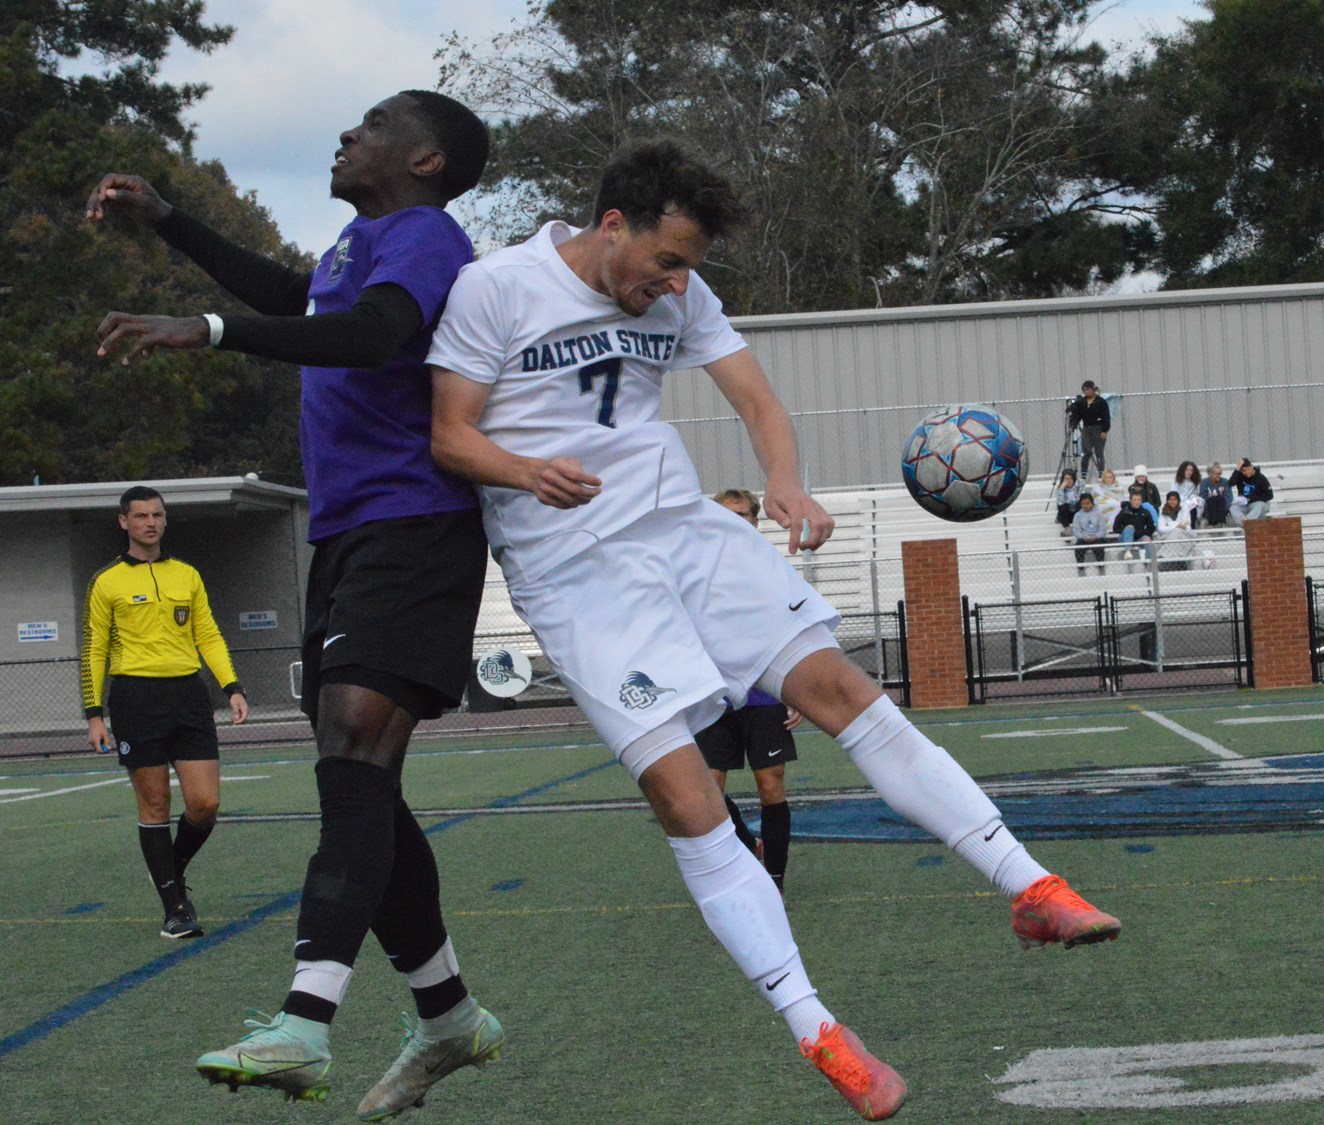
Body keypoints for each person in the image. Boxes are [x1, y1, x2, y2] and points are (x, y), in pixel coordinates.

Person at [425, 140, 1120, 1121]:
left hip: (681, 527)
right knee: (687, 794)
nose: (678, 284)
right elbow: (448, 433)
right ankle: (819, 1032)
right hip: (574, 569)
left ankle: (1031, 883)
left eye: (690, 267)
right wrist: (523, 470)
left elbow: (753, 397)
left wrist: (784, 481)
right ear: (612, 226)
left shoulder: (679, 293)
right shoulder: (496, 288)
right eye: (667, 261)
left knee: (839, 687)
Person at [88, 91, 504, 1113]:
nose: (345, 135)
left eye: (371, 124)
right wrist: (171, 222)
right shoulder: (359, 241)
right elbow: (299, 292)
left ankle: (305, 1025)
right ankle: (447, 1013)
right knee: (358, 780)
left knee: (355, 761)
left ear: (425, 159)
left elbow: (370, 336)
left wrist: (214, 331)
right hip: (346, 536)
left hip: (415, 528)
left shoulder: (426, 236)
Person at [82, 486, 248, 941]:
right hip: (136, 700)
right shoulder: (107, 581)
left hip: (189, 698)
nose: (150, 523)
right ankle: (175, 908)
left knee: (205, 804)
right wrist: (94, 714)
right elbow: (95, 649)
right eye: (140, 516)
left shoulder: (187, 575)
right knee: (155, 804)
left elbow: (208, 634)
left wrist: (231, 687)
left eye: (157, 515)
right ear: (124, 522)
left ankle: (168, 870)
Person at [700, 490, 805, 893]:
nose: (735, 522)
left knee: (770, 784)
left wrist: (795, 692)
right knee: (707, 790)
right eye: (726, 515)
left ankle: (774, 882)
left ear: (755, 522)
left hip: (764, 692)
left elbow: (792, 630)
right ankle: (747, 843)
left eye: (743, 515)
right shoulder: (694, 568)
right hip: (712, 697)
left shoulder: (772, 569)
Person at [1065, 379, 1111, 479]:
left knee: (1099, 452)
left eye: (1088, 389)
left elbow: (1106, 417)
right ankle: (1083, 475)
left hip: (1098, 428)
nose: (1086, 392)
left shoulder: (1101, 402)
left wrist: (1105, 430)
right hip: (1087, 428)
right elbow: (1077, 412)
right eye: (1084, 390)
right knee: (1086, 453)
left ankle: (1101, 473)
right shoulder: (1082, 402)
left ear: (1093, 389)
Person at [1111, 487, 1159, 569]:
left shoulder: (1145, 512)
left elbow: (1151, 528)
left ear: (1141, 501)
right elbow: (1115, 527)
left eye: (1138, 500)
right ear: (1131, 501)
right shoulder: (1124, 512)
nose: (1136, 502)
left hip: (1139, 537)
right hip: (1124, 538)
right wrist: (1126, 529)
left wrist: (1145, 534)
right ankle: (1128, 551)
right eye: (1134, 500)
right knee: (1130, 528)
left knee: (1147, 540)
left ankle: (1149, 565)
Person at [1071, 493, 1110, 575]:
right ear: (1080, 504)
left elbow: (1102, 529)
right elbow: (1076, 530)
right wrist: (1082, 537)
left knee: (1099, 546)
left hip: (1097, 538)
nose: (1086, 506)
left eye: (1088, 503)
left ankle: (1101, 565)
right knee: (1078, 548)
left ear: (1092, 503)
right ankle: (1080, 567)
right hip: (1084, 538)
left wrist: (1096, 536)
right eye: (1083, 504)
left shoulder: (1098, 513)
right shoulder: (1077, 515)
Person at [1156, 492, 1196, 569]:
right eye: (1170, 499)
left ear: (1178, 500)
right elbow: (1160, 528)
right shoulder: (1163, 510)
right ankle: (1178, 561)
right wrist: (1176, 526)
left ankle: (1166, 557)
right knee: (1175, 532)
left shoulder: (1184, 508)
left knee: (1176, 532)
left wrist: (1169, 525)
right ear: (1167, 501)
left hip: (1184, 535)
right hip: (1167, 537)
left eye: (1174, 499)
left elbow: (1186, 525)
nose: (1172, 501)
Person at [1196, 462, 1231, 528]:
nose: (1219, 475)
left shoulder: (1225, 482)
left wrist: (1224, 509)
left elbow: (1228, 498)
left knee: (1220, 498)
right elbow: (1203, 499)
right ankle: (1213, 523)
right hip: (1209, 510)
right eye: (1217, 474)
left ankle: (1220, 523)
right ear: (1210, 474)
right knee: (1212, 499)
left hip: (1223, 509)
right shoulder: (1204, 482)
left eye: (1220, 473)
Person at [1052, 469, 1082, 536]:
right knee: (1064, 505)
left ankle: (1077, 526)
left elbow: (1079, 498)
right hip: (1065, 515)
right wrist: (1062, 488)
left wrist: (1069, 501)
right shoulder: (1059, 489)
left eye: (1071, 478)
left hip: (1076, 512)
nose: (1069, 480)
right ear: (1063, 479)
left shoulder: (1079, 486)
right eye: (1066, 479)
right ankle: (1067, 528)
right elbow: (1060, 502)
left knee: (1079, 503)